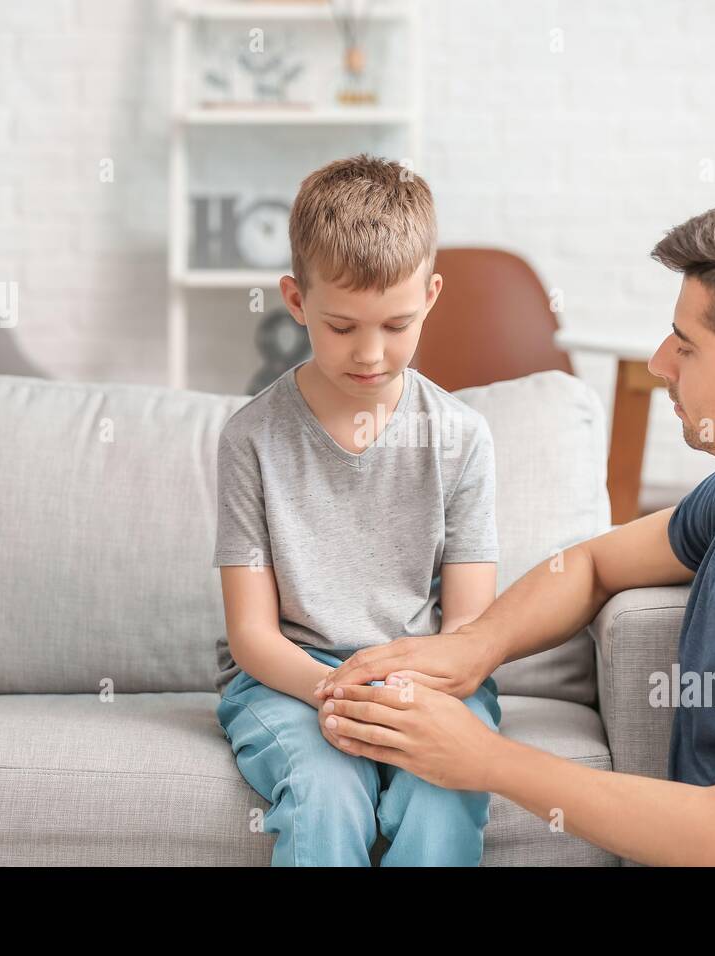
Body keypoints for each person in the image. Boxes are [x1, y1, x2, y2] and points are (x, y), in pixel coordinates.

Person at [316, 201, 715, 866]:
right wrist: (476, 647)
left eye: (686, 345)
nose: (660, 363)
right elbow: (595, 566)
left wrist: (482, 758)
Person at [212, 155, 502, 866]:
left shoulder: (461, 438)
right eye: (341, 327)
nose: (370, 354)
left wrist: (402, 691)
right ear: (295, 299)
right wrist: (336, 694)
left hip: (426, 676)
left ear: (432, 296)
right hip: (287, 679)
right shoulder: (251, 438)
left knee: (444, 788)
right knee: (324, 785)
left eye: (396, 325)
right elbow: (251, 634)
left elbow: (468, 628)